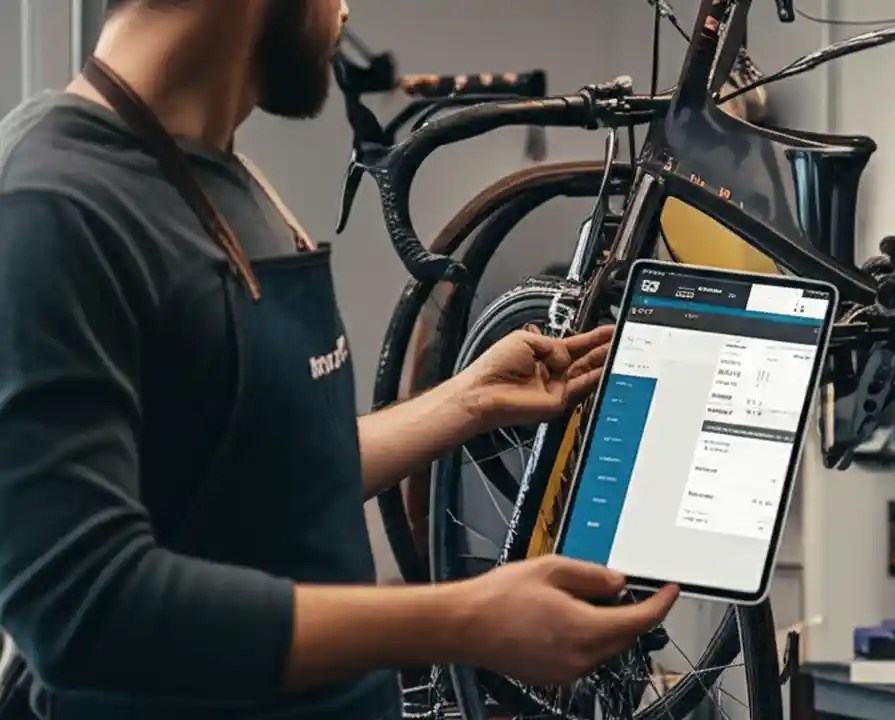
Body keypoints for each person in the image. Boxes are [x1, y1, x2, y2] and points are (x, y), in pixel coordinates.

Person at [0, 1, 677, 718]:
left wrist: (468, 401)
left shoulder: (225, 172)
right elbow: (84, 608)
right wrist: (465, 620)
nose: (345, 10)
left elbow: (263, 481)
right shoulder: (54, 207)